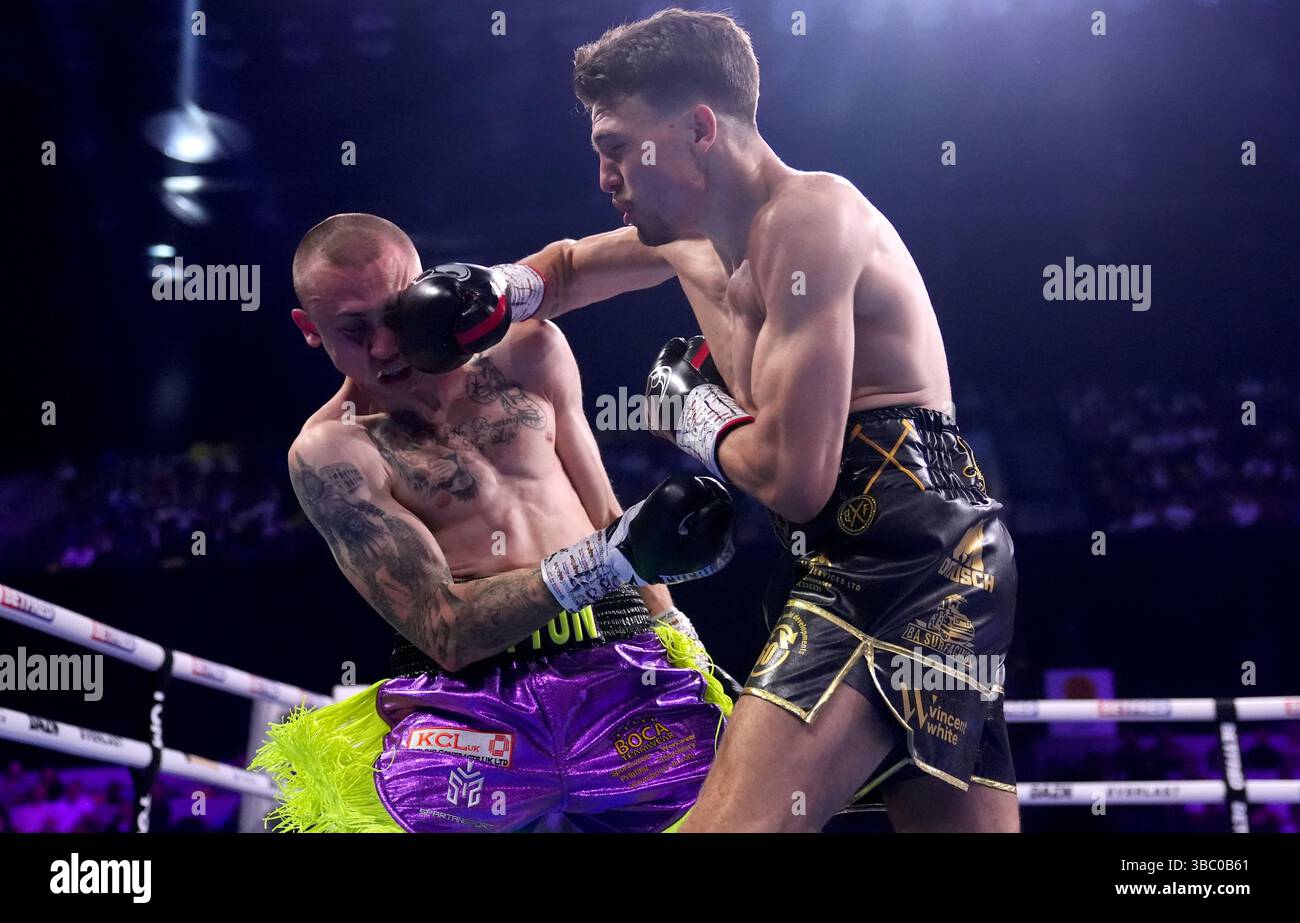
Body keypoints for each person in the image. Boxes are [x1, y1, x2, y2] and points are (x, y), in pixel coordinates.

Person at [429, 8, 1020, 832]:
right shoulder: (691, 240)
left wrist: (693, 411)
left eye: (615, 147)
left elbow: (797, 480)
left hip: (903, 548)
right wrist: (494, 291)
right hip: (911, 555)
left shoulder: (810, 216)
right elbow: (562, 270)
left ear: (700, 128)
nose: (604, 176)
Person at [250, 213, 735, 833]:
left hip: (621, 660)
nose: (383, 347)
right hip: (470, 713)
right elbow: (447, 633)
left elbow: (603, 509)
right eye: (352, 329)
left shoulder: (529, 350)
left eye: (396, 314)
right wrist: (612, 556)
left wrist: (679, 637)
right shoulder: (332, 454)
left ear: (425, 285)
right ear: (309, 330)